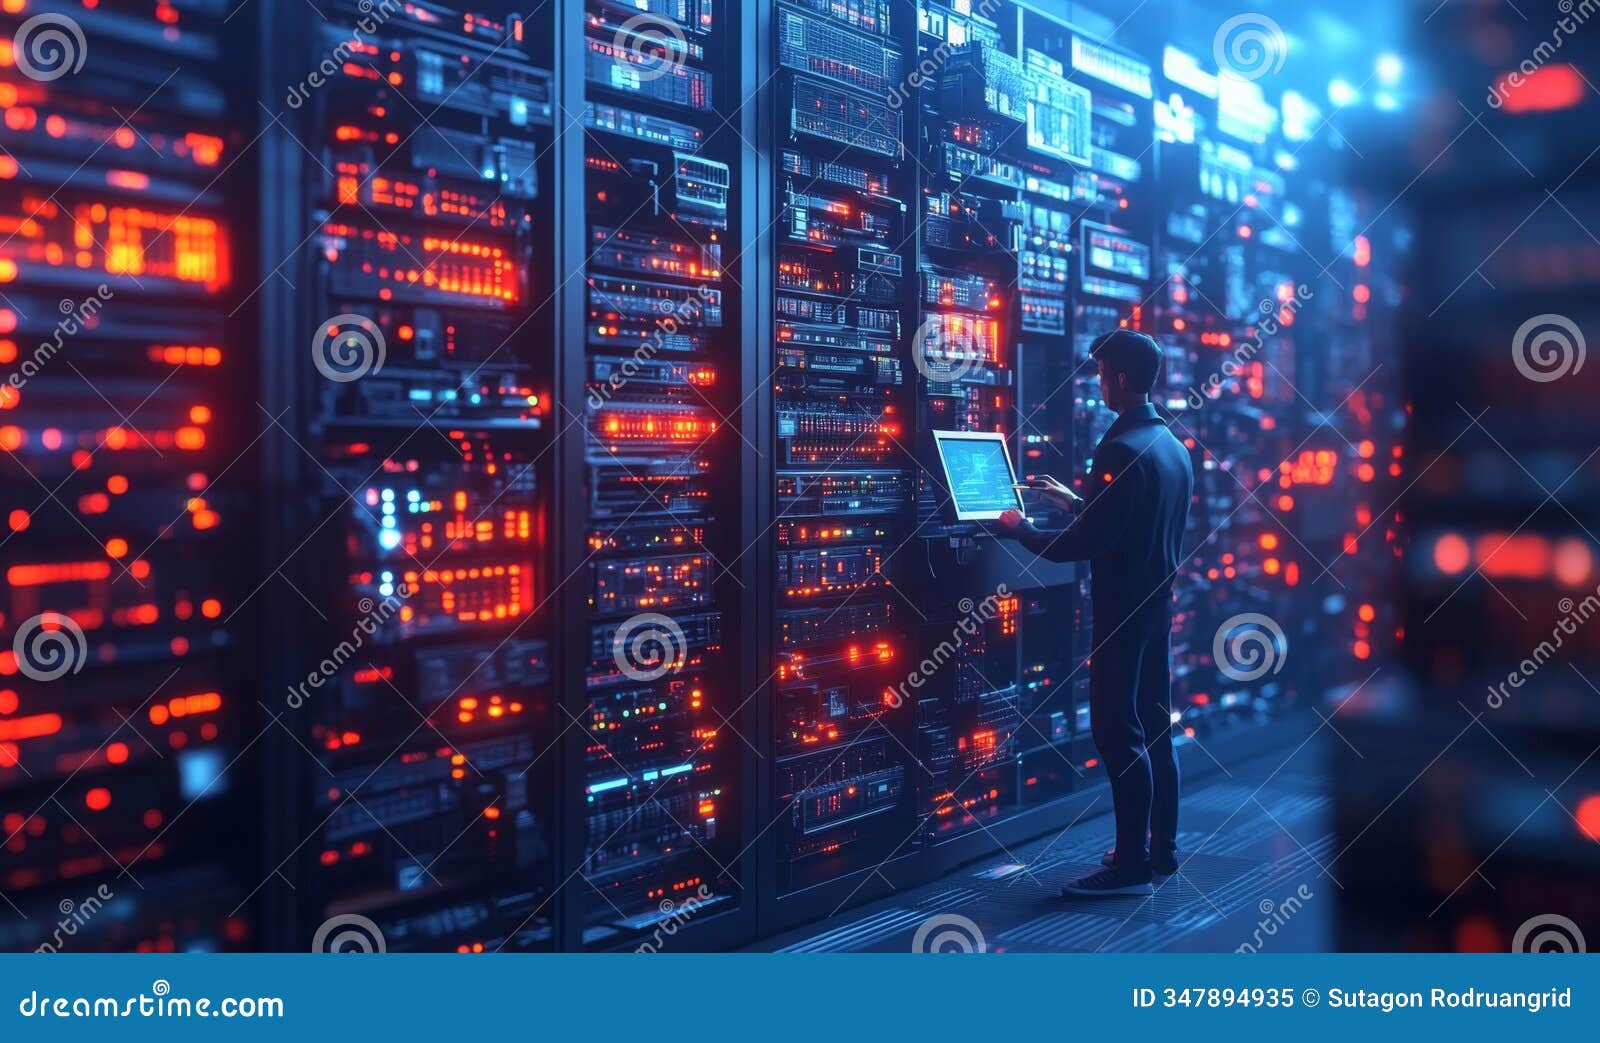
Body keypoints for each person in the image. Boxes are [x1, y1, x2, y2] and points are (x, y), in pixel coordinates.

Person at [997, 329, 1193, 897]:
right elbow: (1131, 519)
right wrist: (1074, 500)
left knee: (1114, 731)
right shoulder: (1170, 447)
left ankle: (1129, 867)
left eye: (1103, 373)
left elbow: (1083, 544)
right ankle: (1160, 852)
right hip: (1157, 610)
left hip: (1121, 613)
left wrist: (1021, 530)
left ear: (1121, 379)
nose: (1099, 382)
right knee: (1156, 729)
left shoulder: (1117, 448)